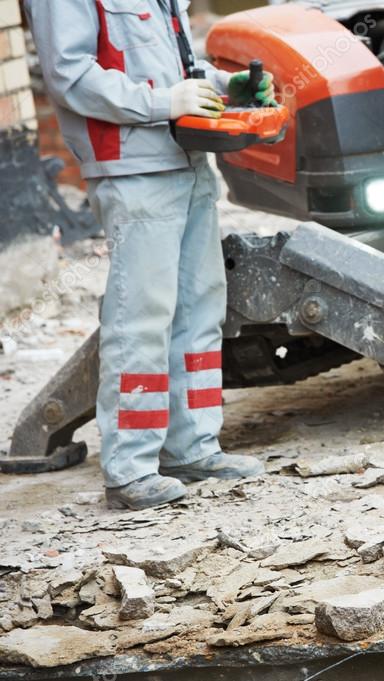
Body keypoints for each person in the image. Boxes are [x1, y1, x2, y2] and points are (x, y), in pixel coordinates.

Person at [25, 0, 277, 510]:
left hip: (188, 160)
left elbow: (174, 65)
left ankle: (192, 447)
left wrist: (223, 87)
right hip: (133, 169)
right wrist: (164, 102)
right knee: (141, 318)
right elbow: (70, 75)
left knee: (199, 308)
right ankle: (131, 468)